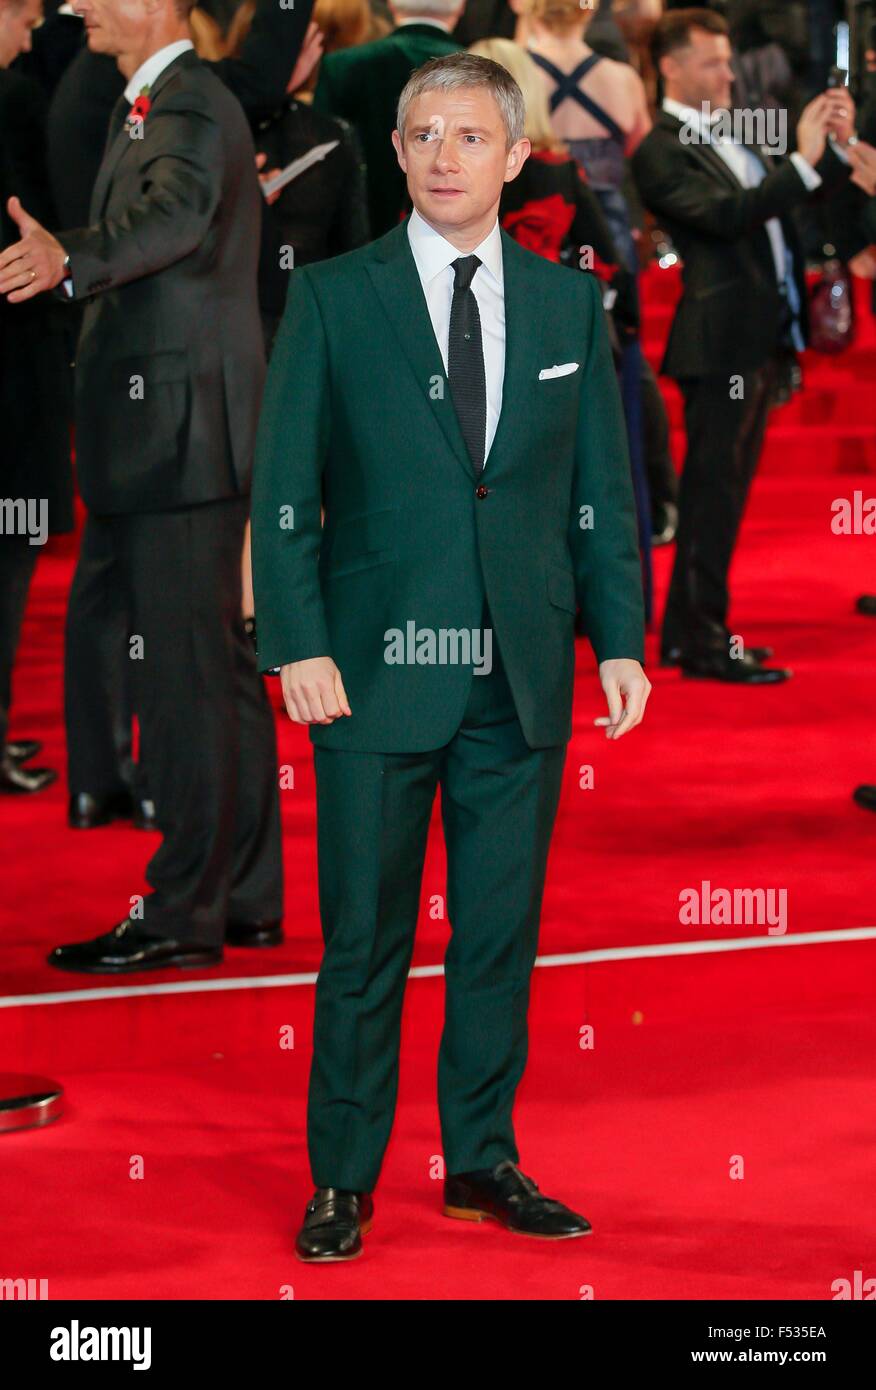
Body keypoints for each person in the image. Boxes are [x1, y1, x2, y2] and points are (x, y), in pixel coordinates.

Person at [251, 51, 649, 1261]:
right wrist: (296, 643)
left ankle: (481, 1160)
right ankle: (342, 1178)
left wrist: (620, 639)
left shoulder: (571, 304)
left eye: (468, 137)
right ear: (401, 148)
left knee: (497, 934)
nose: (440, 156)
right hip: (370, 671)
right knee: (364, 941)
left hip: (519, 673)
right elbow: (282, 492)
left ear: (517, 154)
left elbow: (601, 490)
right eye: (422, 134)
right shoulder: (331, 296)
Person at [0, 0, 284, 969]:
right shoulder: (163, 98)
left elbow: (172, 217)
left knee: (185, 683)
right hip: (173, 432)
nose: (74, 6)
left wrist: (66, 259)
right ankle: (241, 896)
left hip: (180, 436)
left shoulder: (188, 102)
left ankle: (180, 913)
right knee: (214, 674)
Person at [632, 6, 855, 683]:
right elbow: (727, 218)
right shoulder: (661, 149)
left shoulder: (735, 135)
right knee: (711, 496)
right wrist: (803, 160)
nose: (729, 74)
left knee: (723, 496)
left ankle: (691, 634)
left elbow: (789, 204)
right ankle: (703, 641)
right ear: (670, 67)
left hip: (760, 339)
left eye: (729, 60)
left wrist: (834, 151)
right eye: (712, 62)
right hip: (719, 345)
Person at [0, 0, 74, 795]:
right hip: (16, 385)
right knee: (7, 564)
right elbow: (36, 242)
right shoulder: (14, 98)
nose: (32, 34)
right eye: (25, 15)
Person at [312, 0, 464, 236]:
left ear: (391, 4)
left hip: (355, 243)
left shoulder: (342, 66)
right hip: (458, 244)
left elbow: (320, 161)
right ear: (461, 7)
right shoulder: (490, 74)